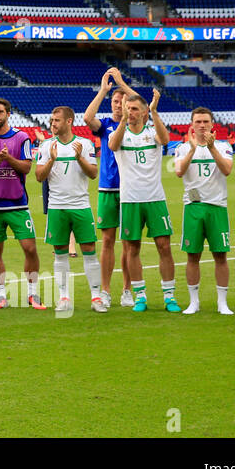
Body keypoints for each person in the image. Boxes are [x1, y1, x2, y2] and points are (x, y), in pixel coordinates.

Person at [108, 89, 177, 313]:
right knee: (132, 248)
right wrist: (123, 122)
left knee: (164, 246)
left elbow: (165, 139)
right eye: (128, 108)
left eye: (134, 108)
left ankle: (169, 296)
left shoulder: (152, 132)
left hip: (155, 198)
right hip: (130, 200)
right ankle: (140, 295)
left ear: (144, 111)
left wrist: (155, 113)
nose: (130, 112)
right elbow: (112, 146)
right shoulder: (118, 134)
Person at [35, 106, 104, 313]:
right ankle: (64, 297)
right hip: (57, 207)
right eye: (51, 119)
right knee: (60, 254)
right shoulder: (47, 146)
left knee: (90, 252)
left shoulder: (84, 144)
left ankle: (96, 297)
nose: (52, 123)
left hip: (80, 206)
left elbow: (93, 173)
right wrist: (52, 159)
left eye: (56, 120)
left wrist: (79, 158)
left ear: (69, 121)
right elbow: (39, 176)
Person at [0, 98, 43, 310]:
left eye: (0, 112)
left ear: (8, 113)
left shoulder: (21, 137)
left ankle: (32, 294)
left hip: (17, 204)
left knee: (30, 248)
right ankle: (0, 296)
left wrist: (8, 159)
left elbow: (26, 168)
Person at [173, 108, 235, 316]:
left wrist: (211, 148)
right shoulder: (182, 148)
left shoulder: (223, 146)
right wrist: (192, 150)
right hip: (193, 207)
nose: (202, 125)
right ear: (192, 124)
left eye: (205, 121)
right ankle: (194, 302)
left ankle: (222, 303)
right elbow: (179, 172)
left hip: (217, 206)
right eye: (198, 121)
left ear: (212, 124)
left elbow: (227, 170)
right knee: (193, 256)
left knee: (220, 255)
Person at [85, 68, 134, 307]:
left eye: (123, 101)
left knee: (128, 242)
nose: (119, 104)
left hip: (131, 189)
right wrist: (103, 91)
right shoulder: (104, 125)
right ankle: (105, 290)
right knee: (107, 241)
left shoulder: (136, 123)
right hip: (107, 188)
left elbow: (144, 106)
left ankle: (127, 289)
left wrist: (123, 85)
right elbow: (86, 118)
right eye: (116, 101)